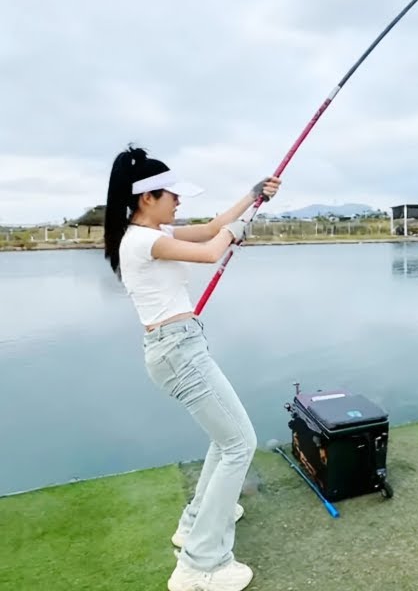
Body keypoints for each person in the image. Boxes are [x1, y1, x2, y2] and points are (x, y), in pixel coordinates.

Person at [104, 144, 280, 591]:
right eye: (172, 194)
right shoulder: (143, 240)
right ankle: (202, 564)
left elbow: (211, 229)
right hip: (177, 353)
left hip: (179, 347)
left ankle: (197, 521)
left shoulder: (148, 234)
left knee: (227, 441)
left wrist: (252, 196)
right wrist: (240, 229)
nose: (178, 201)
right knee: (240, 444)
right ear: (147, 198)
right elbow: (211, 250)